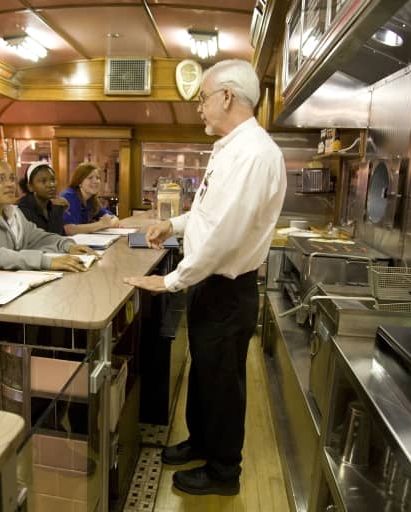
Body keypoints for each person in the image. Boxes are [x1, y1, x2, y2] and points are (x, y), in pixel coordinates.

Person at [124, 59, 287, 496]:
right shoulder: (230, 148)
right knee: (205, 372)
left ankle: (223, 472)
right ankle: (201, 441)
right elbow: (208, 214)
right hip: (210, 285)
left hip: (226, 289)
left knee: (223, 382)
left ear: (228, 97)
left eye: (203, 99)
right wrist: (172, 226)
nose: (199, 108)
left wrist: (172, 280)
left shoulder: (254, 154)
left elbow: (223, 235)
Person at [0, 156, 96, 275]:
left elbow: (38, 237)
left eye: (11, 178)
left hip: (2, 289)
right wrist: (45, 261)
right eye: (1, 179)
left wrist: (68, 246)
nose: (10, 184)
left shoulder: (12, 212)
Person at [61, 162, 120, 235]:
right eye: (90, 178)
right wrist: (101, 224)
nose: (95, 181)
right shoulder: (69, 196)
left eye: (98, 178)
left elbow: (113, 218)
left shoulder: (91, 199)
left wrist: (107, 222)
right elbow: (69, 230)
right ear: (79, 181)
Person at [16, 161, 68, 235]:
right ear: (30, 187)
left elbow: (62, 237)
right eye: (43, 181)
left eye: (53, 180)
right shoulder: (21, 211)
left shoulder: (57, 208)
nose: (51, 185)